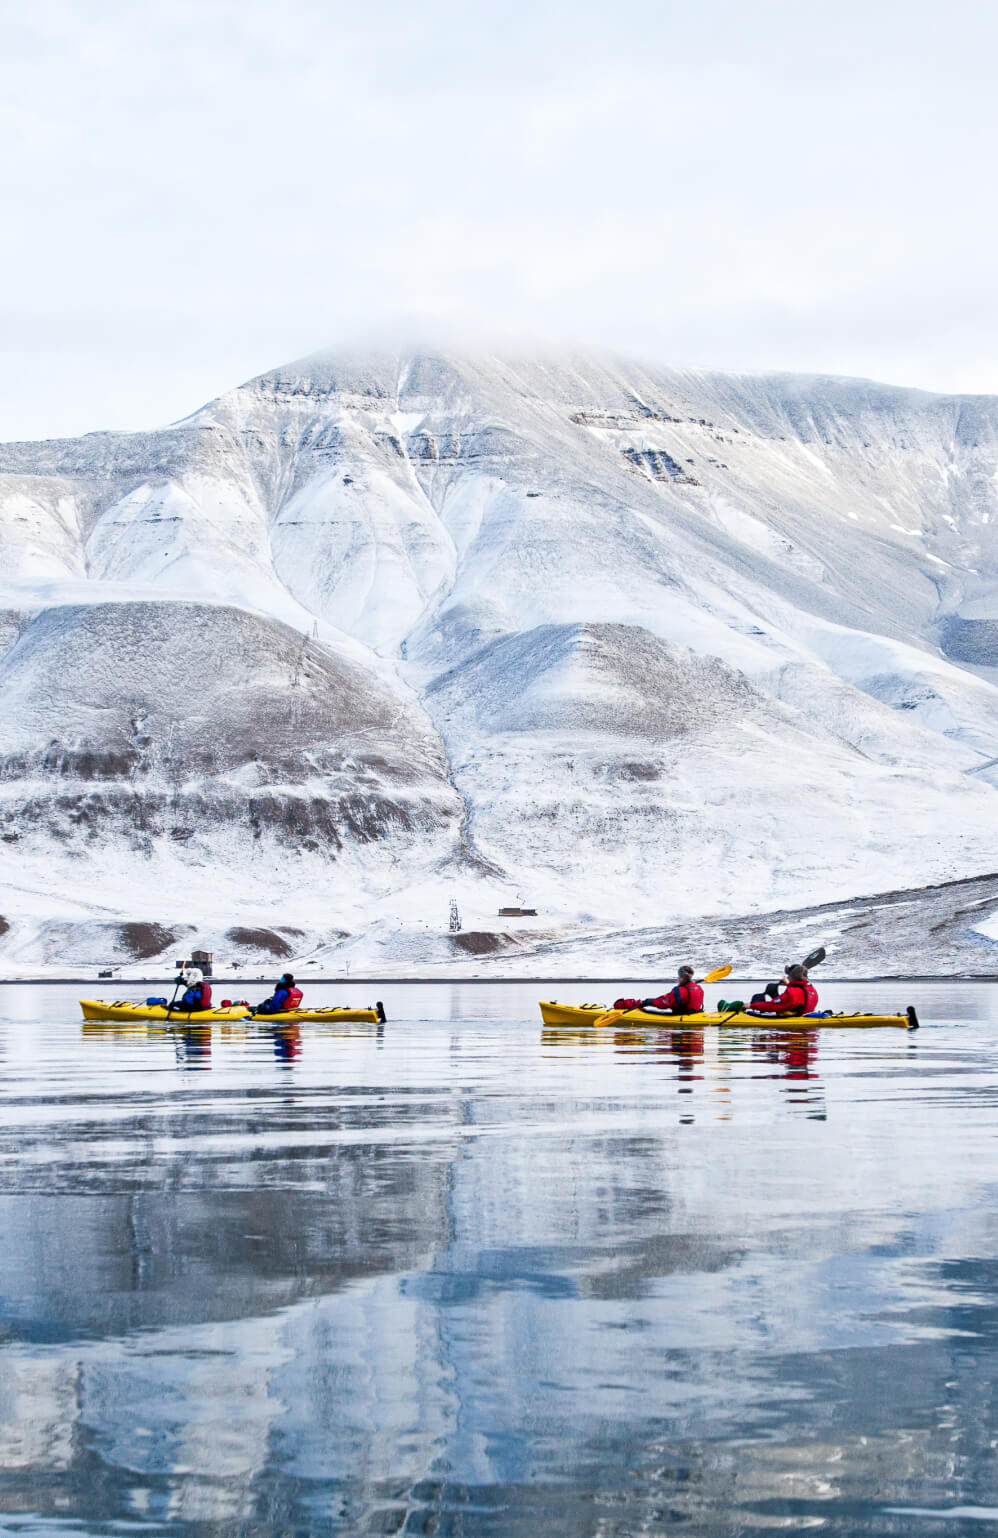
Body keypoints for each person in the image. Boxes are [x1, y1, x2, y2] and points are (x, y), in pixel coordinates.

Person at [613, 966, 704, 1015]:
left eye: (679, 976)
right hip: (696, 1014)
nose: (678, 978)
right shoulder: (697, 988)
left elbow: (664, 1003)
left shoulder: (681, 990)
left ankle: (623, 1004)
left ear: (682, 977)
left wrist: (647, 1002)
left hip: (682, 1016)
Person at [746, 964, 817, 1017]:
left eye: (789, 975)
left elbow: (773, 1006)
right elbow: (799, 993)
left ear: (792, 976)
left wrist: (752, 1005)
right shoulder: (810, 988)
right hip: (803, 1015)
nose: (787, 977)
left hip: (791, 1019)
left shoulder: (792, 992)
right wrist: (789, 985)